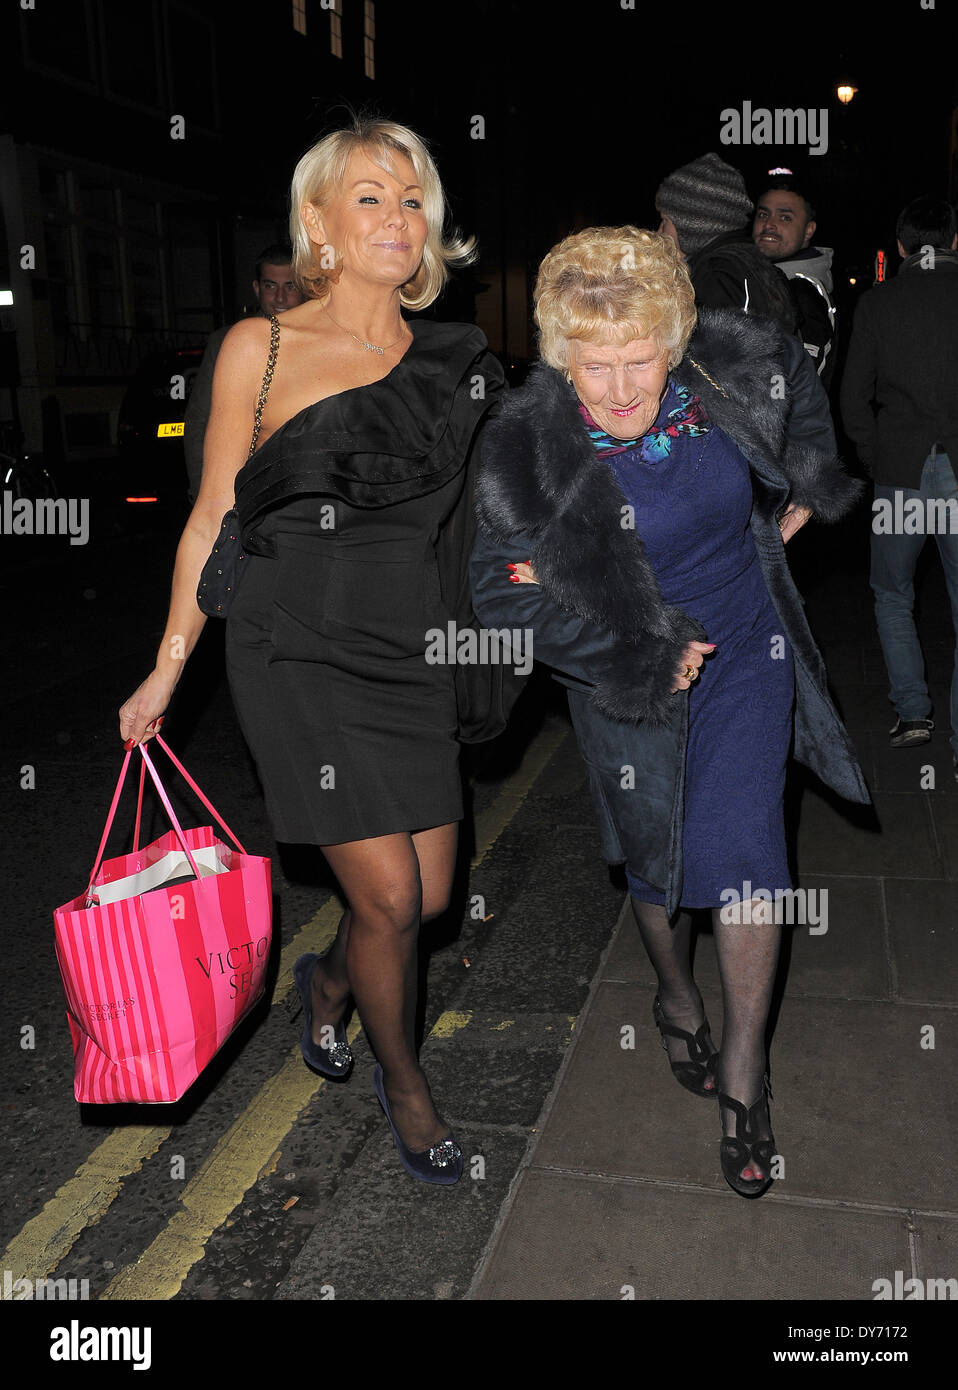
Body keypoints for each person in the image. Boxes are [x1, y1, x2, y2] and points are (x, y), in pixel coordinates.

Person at [119, 117, 510, 1185]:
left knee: (425, 899)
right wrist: (168, 664)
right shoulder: (265, 345)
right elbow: (210, 522)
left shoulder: (454, 360)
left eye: (412, 197)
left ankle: (329, 982)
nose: (396, 216)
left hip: (411, 646)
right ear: (321, 226)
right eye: (370, 197)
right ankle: (408, 1084)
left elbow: (497, 517)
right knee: (387, 898)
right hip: (295, 649)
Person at [470, 227, 869, 1197]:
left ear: (675, 338)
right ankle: (674, 988)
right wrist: (631, 646)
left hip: (745, 641)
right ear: (560, 357)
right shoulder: (526, 444)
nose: (613, 388)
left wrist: (802, 499)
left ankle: (743, 1068)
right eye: (589, 366)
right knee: (656, 852)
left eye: (636, 361)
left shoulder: (733, 362)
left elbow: (802, 390)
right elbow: (501, 595)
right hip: (625, 667)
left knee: (744, 852)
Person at [841, 196, 958, 767]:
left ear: (903, 247)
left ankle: (913, 712)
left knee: (892, 595)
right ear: (956, 241)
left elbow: (852, 397)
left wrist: (875, 454)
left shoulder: (879, 303)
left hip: (901, 474)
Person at [184, 244, 304, 505]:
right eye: (271, 286)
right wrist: (203, 495)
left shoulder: (323, 344)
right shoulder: (228, 342)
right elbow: (198, 423)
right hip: (244, 492)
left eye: (291, 286)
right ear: (257, 289)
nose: (280, 298)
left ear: (304, 288)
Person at [655, 152, 798, 333]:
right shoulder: (748, 264)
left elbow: (715, 356)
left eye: (665, 221)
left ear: (691, 225)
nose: (659, 231)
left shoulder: (716, 276)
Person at [752, 177, 837, 387]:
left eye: (785, 218)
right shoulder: (755, 279)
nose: (769, 224)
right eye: (763, 214)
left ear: (809, 230)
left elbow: (792, 384)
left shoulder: (803, 291)